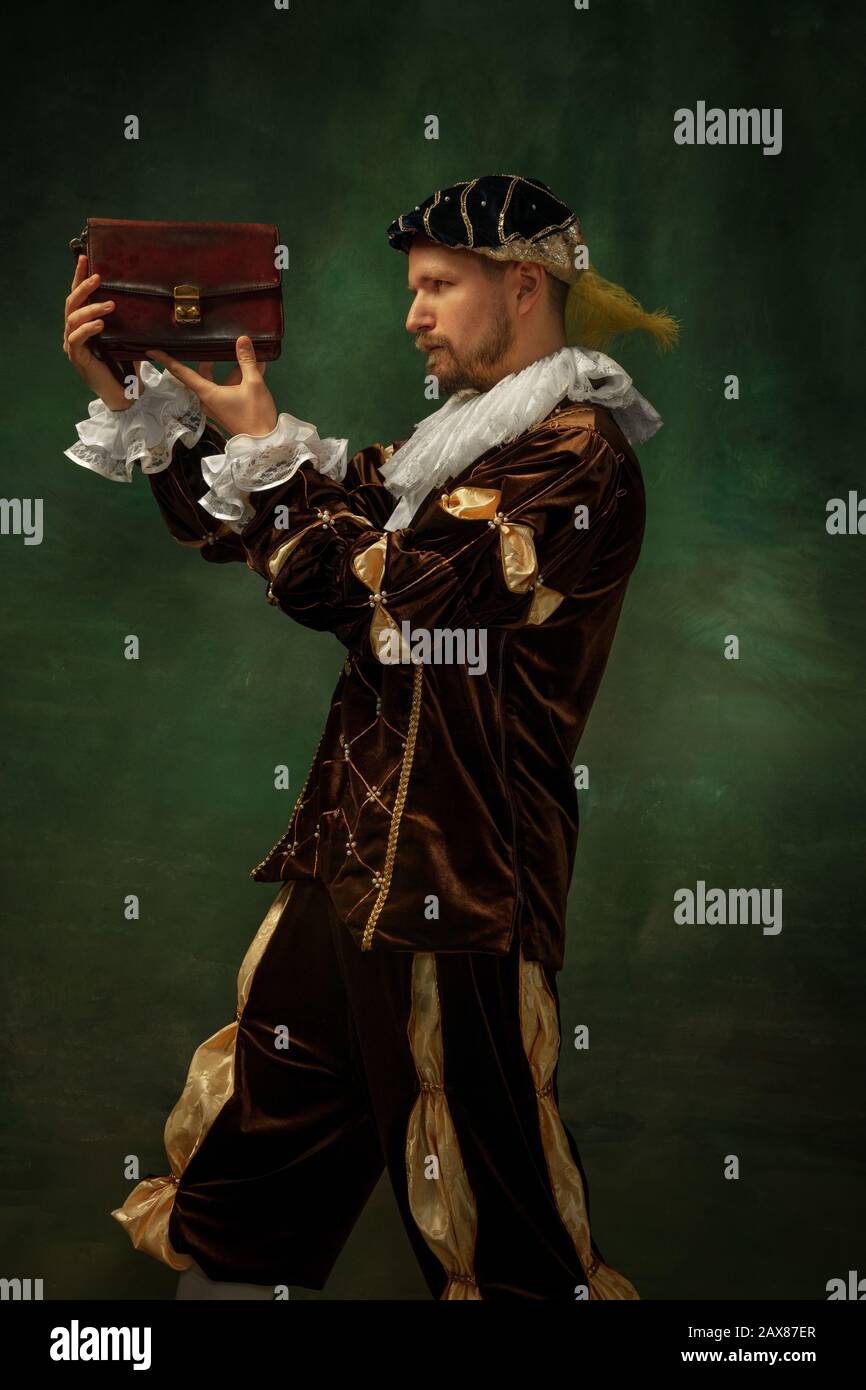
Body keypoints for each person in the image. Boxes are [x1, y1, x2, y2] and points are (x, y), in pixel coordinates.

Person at [62, 174, 678, 1301]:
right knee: (258, 1157)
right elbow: (289, 512)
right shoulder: (458, 450)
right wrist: (146, 394)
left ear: (524, 286)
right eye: (414, 290)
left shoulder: (574, 458)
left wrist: (276, 462)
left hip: (462, 881)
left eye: (438, 286)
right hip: (352, 864)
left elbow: (388, 600)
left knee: (498, 1218)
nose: (413, 314)